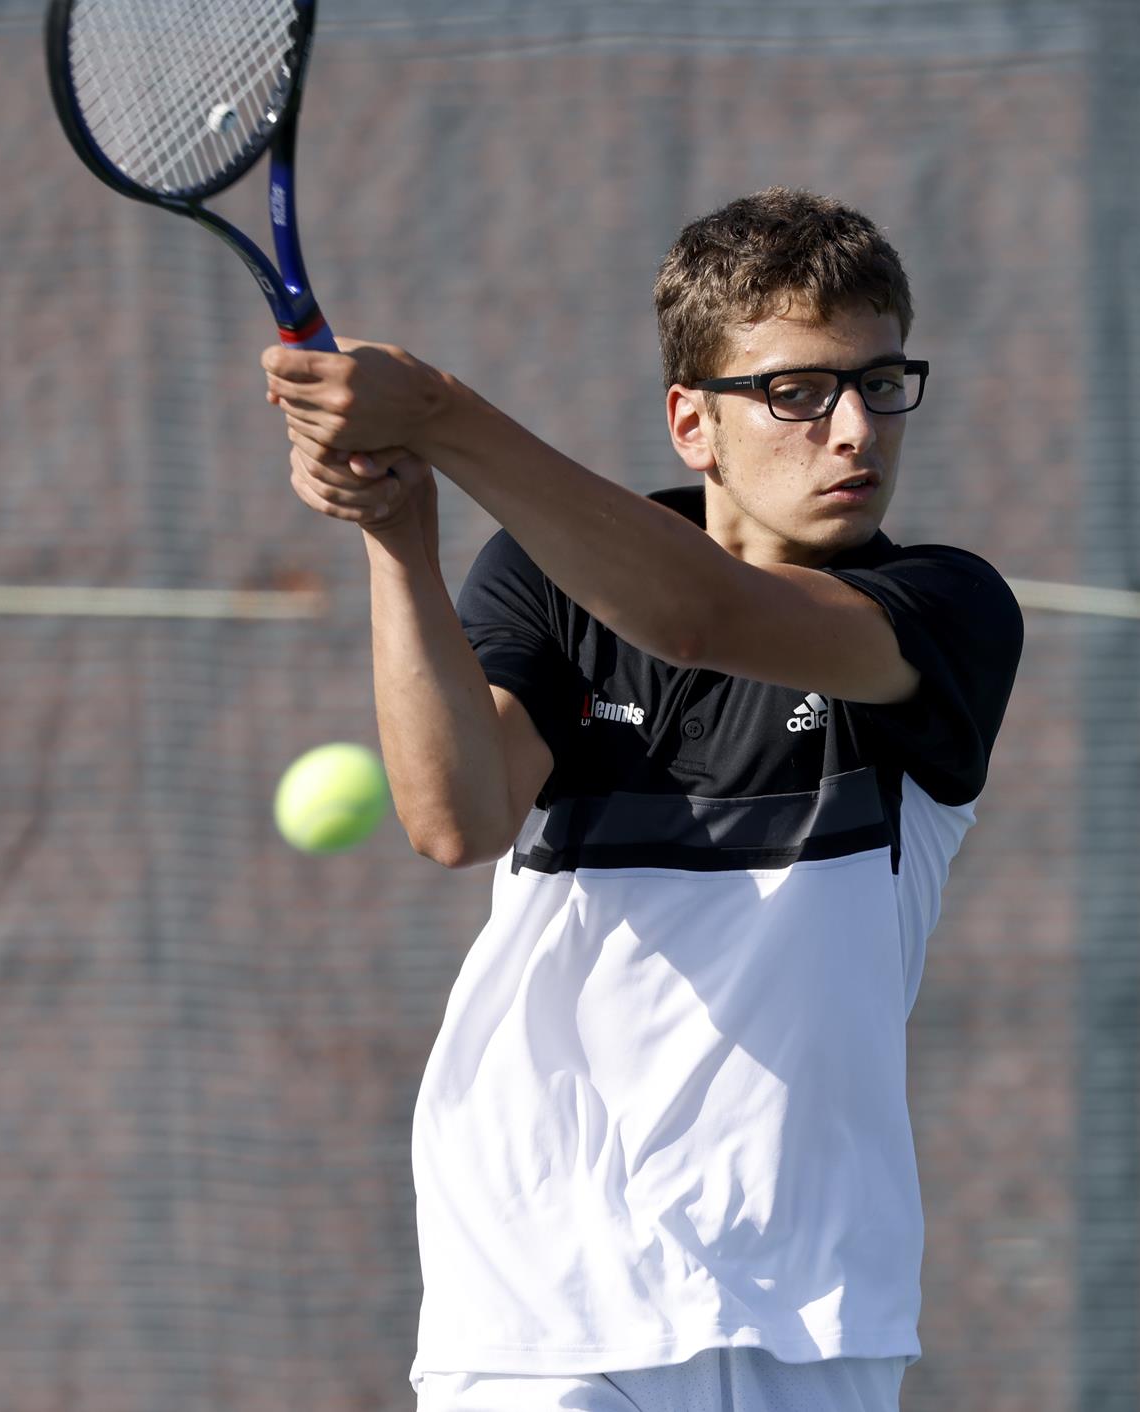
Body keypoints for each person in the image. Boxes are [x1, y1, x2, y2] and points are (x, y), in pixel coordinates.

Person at [263, 187, 1022, 1412]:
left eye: (879, 383)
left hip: (811, 1316)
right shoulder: (546, 584)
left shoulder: (947, 610)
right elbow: (456, 817)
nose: (851, 431)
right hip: (539, 1303)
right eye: (794, 391)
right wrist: (399, 535)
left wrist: (444, 416)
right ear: (693, 422)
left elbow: (702, 616)